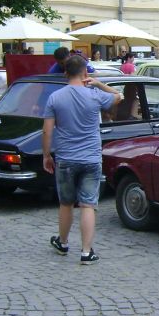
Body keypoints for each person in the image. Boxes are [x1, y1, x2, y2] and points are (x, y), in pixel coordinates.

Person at [42, 55, 123, 264]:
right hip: (91, 158)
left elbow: (47, 131)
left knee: (66, 203)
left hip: (66, 157)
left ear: (65, 73)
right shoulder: (94, 95)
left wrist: (46, 155)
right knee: (88, 205)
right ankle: (86, 251)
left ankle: (63, 242)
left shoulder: (55, 98)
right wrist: (98, 83)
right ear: (85, 72)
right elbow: (119, 96)